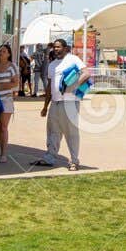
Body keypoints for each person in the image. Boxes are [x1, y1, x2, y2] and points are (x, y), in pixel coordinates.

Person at [34, 38, 89, 171]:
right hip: (55, 102)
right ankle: (49, 158)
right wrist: (45, 106)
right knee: (53, 132)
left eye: (59, 47)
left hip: (70, 102)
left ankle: (74, 161)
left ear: (65, 48)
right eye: (55, 47)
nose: (56, 49)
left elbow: (86, 73)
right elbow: (49, 88)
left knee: (71, 133)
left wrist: (74, 85)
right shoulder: (52, 65)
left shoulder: (73, 59)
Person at [0, 44, 21, 163]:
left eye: (4, 51)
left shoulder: (12, 66)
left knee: (3, 127)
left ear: (9, 54)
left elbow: (15, 83)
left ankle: (3, 154)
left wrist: (0, 86)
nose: (1, 53)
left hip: (6, 99)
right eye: (0, 51)